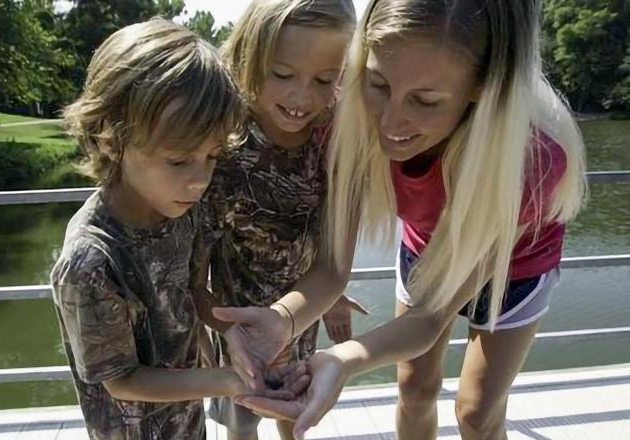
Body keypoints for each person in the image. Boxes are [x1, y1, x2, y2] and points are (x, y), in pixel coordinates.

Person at [233, 1, 588, 439]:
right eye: (378, 84)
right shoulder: (344, 109)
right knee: (415, 386)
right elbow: (331, 270)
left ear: (481, 87)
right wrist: (284, 320)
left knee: (477, 411)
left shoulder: (533, 164)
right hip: (426, 244)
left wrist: (346, 358)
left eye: (425, 101)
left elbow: (429, 317)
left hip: (517, 267)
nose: (389, 122)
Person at [50, 19, 305, 440]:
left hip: (188, 422)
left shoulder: (181, 209)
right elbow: (122, 380)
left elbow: (192, 290)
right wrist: (228, 381)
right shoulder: (91, 262)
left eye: (211, 157)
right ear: (112, 138)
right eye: (178, 160)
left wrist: (229, 332)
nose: (200, 181)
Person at [188, 1, 364, 439]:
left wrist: (328, 298)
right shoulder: (216, 147)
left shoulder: (341, 143)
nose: (302, 98)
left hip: (299, 319)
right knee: (241, 423)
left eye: (325, 80)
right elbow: (191, 281)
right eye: (281, 74)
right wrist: (230, 330)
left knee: (294, 420)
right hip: (234, 333)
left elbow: (332, 261)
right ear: (248, 57)